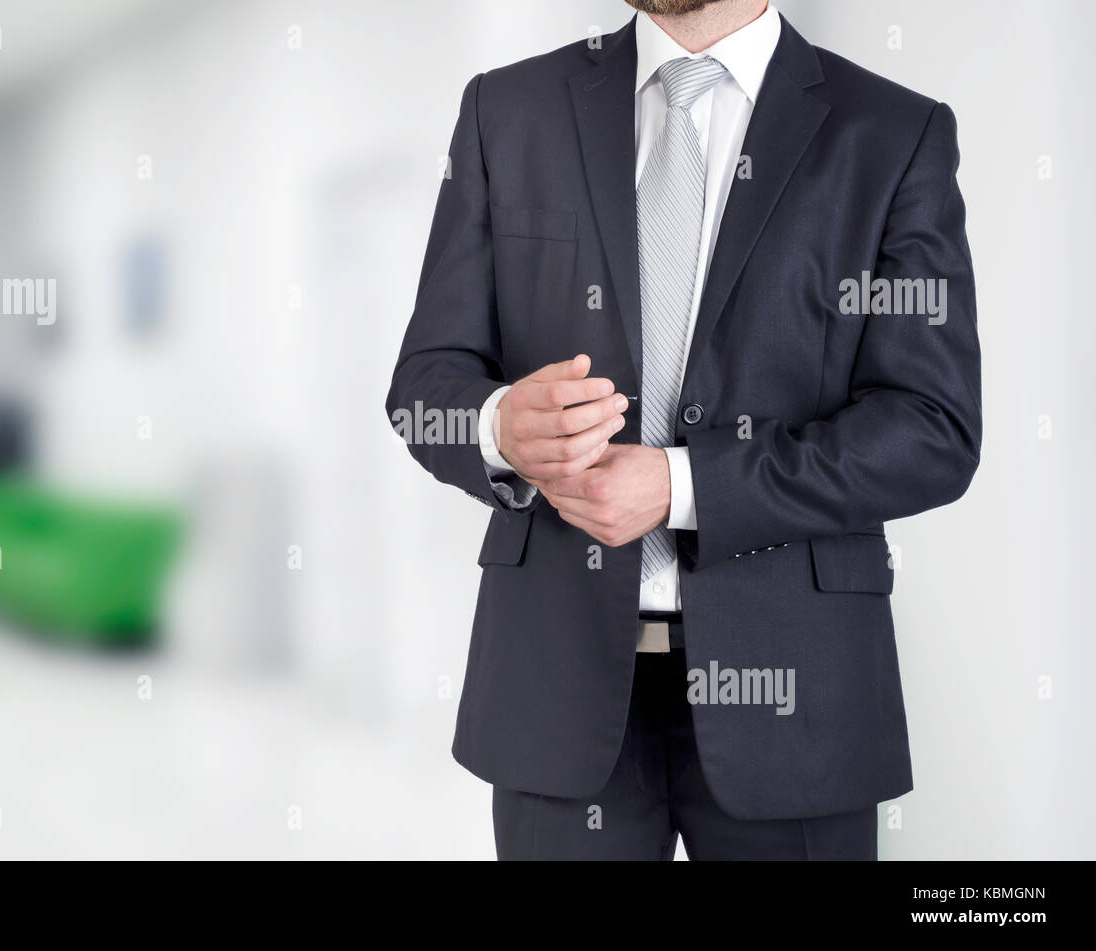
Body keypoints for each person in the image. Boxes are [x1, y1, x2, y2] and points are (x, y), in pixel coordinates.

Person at [386, 0, 981, 860]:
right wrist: (496, 426)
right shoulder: (505, 111)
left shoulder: (891, 134)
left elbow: (932, 427)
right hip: (556, 691)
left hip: (797, 699)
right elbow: (424, 381)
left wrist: (683, 485)